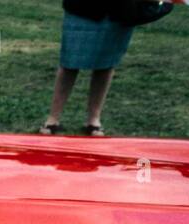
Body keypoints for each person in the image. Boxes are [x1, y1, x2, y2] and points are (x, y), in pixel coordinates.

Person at [40, 0, 137, 136]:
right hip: (81, 8)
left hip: (118, 10)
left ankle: (93, 120)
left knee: (106, 65)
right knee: (69, 63)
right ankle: (53, 119)